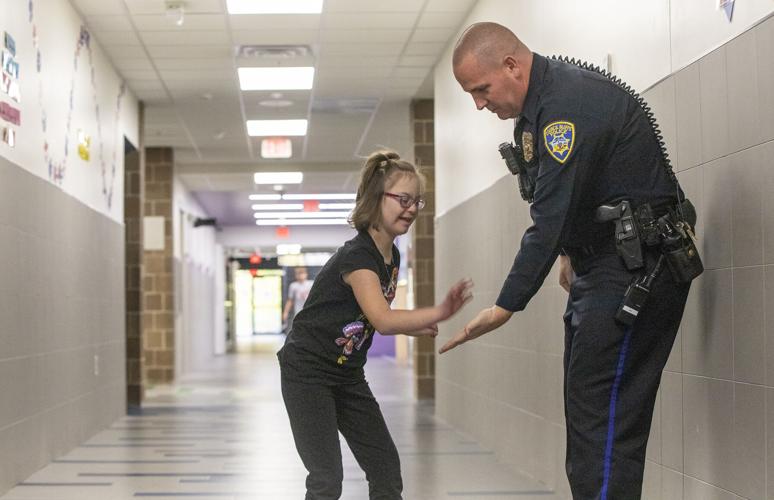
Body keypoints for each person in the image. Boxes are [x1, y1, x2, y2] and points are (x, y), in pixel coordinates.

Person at [439, 22, 698, 499]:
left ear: (512, 65)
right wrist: (568, 254)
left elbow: (550, 215)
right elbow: (565, 197)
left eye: (481, 89)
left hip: (636, 269)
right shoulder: (538, 107)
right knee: (589, 414)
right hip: (607, 264)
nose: (479, 103)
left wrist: (504, 306)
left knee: (603, 421)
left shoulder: (565, 108)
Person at [277, 150, 473, 500]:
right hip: (307, 372)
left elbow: (374, 312)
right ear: (374, 199)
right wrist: (440, 311)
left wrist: (414, 327)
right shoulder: (357, 257)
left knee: (385, 469)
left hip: (347, 374)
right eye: (402, 199)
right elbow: (383, 321)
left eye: (417, 201)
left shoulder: (392, 255)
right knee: (326, 479)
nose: (411, 208)